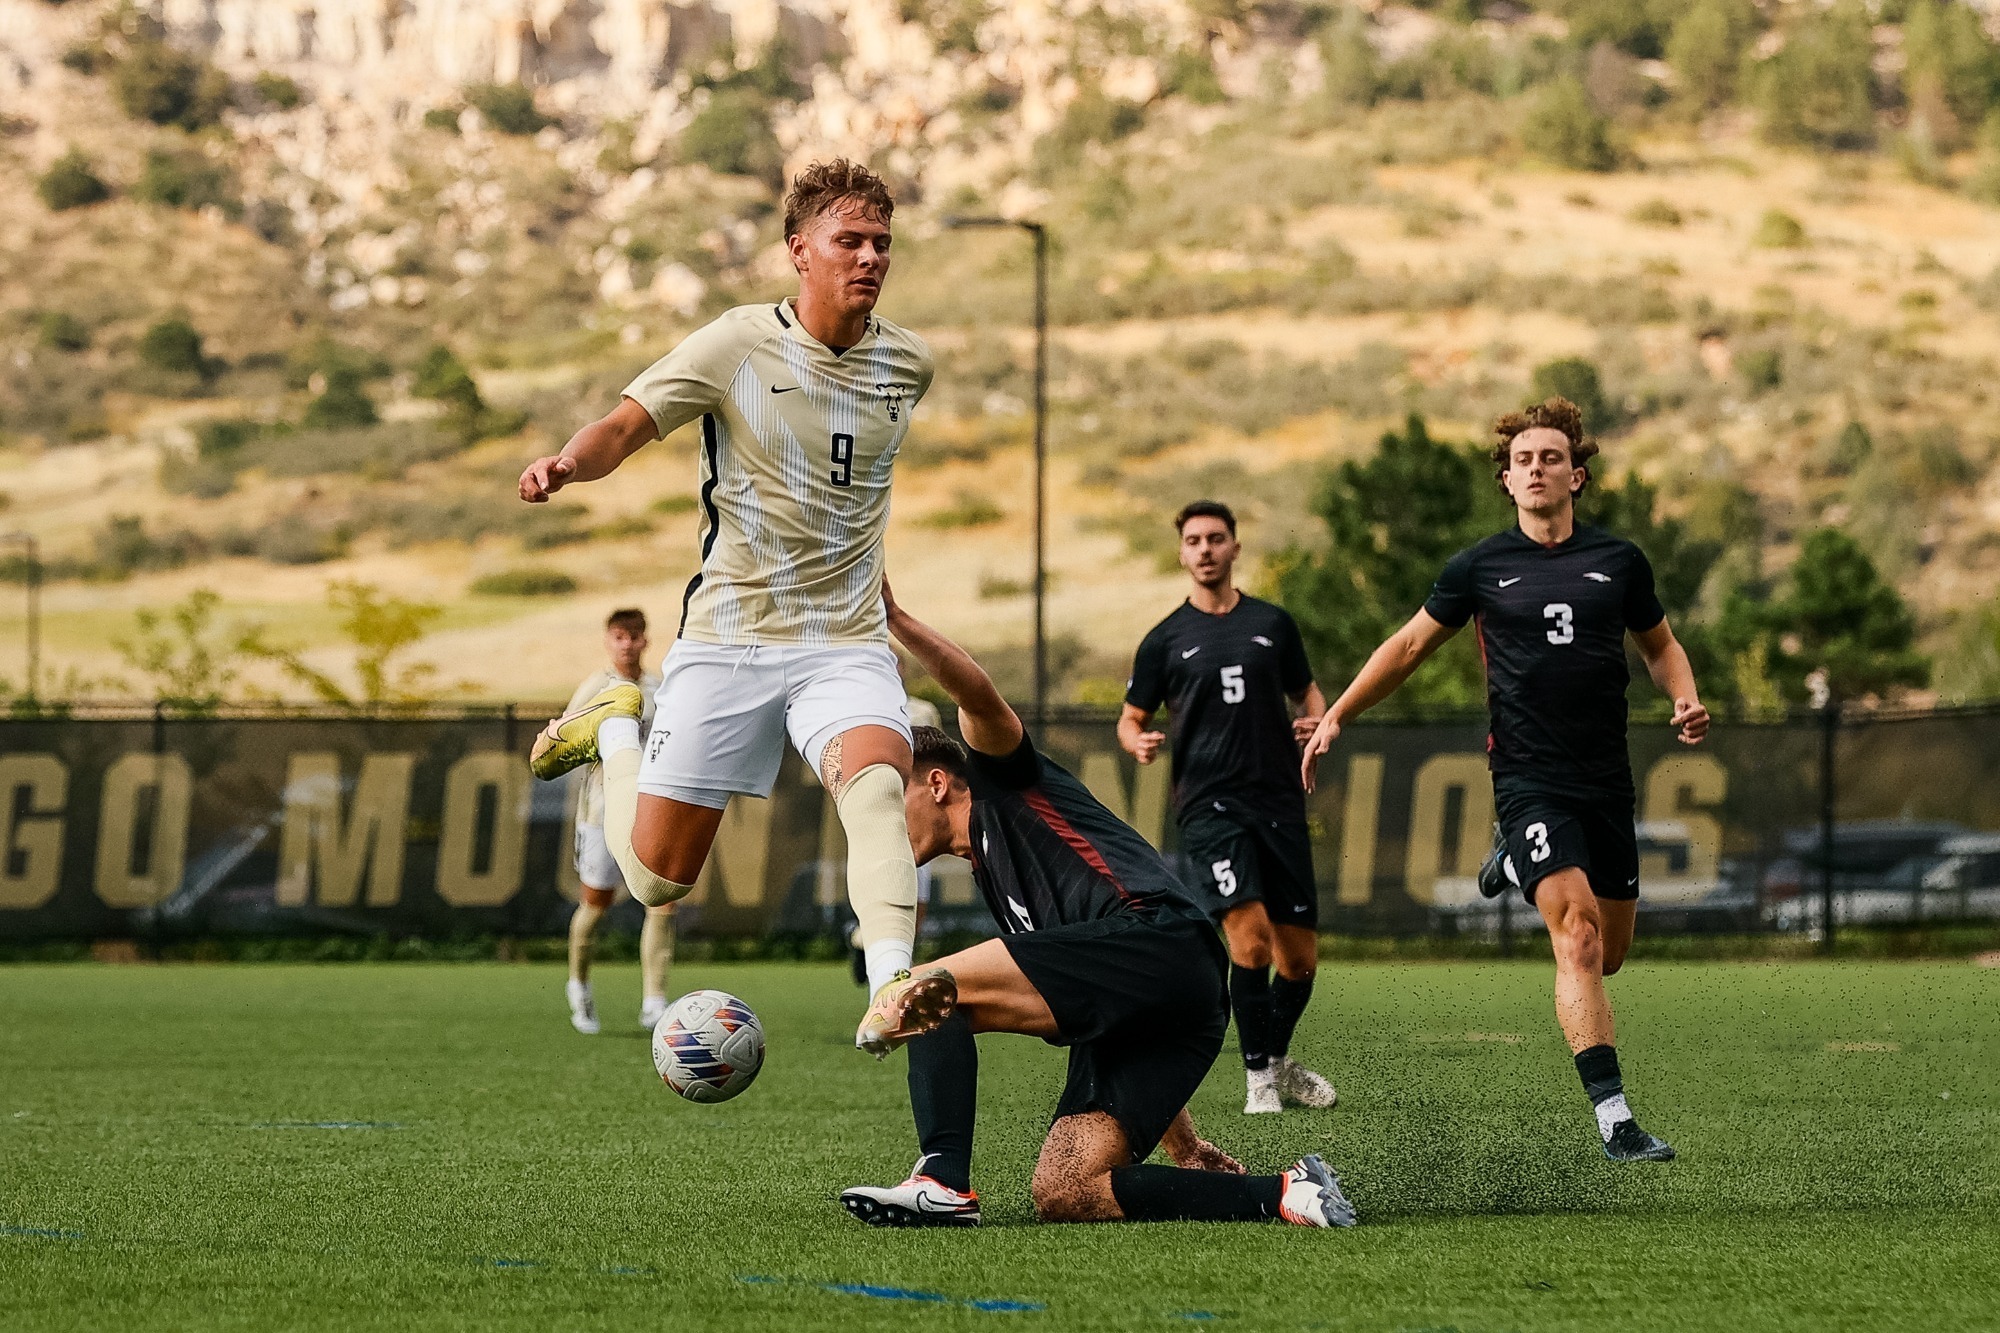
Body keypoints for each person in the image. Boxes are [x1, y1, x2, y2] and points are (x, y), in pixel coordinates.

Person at [519, 160, 936, 1045]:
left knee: (876, 787)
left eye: (882, 243)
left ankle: (892, 986)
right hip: (731, 636)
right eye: (849, 241)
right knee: (657, 879)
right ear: (799, 251)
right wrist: (567, 464)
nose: (870, 257)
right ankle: (615, 729)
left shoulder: (908, 363)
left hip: (845, 639)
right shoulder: (736, 343)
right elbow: (623, 427)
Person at [839, 584, 1357, 1229]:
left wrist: (895, 619)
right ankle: (1287, 1192)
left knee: (923, 987)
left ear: (939, 783)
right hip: (1170, 1000)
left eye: (893, 798)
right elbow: (1112, 998)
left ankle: (942, 1179)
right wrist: (1185, 1145)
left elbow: (975, 694)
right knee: (1067, 1190)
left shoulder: (1004, 782)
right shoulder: (995, 878)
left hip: (1158, 936)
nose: (881, 824)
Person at [1301, 397, 1710, 1163]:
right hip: (1528, 777)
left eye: (1551, 457)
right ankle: (1616, 1120)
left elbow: (1661, 646)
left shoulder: (1619, 561)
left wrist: (1683, 696)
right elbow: (1408, 646)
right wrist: (1339, 714)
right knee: (1577, 937)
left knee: (1610, 951)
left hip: (1606, 779)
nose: (1536, 468)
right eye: (1523, 460)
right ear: (1507, 481)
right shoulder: (1479, 566)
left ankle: (1515, 859)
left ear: (1576, 475)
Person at [1121, 500, 1337, 1115]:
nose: (1206, 549)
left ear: (1235, 548)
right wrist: (1137, 741)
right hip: (1209, 807)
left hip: (1279, 800)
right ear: (1182, 553)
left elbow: (1308, 692)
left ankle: (1277, 1060)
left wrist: (1315, 722)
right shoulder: (1164, 639)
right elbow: (1130, 718)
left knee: (1300, 961)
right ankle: (1258, 1080)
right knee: (1250, 939)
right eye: (1194, 540)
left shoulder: (1273, 623)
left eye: (1216, 538)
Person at [562, 608, 673, 1036]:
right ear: (608, 640)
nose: (627, 644)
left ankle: (654, 1001)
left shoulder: (659, 689)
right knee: (595, 904)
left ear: (646, 640)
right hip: (602, 811)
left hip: (650, 810)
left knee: (662, 903)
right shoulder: (597, 688)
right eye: (619, 636)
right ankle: (579, 986)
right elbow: (564, 738)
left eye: (634, 636)